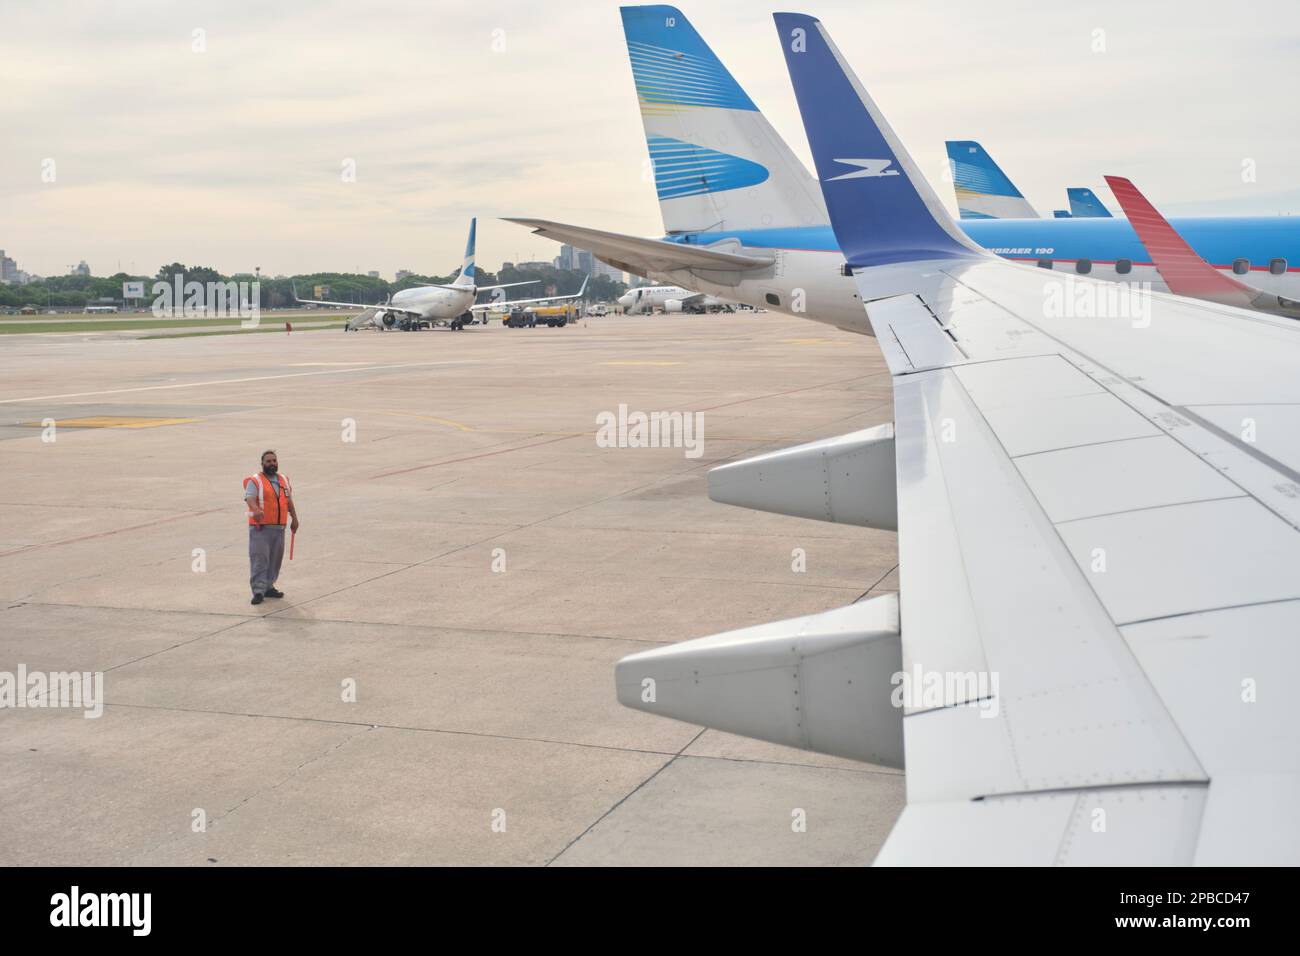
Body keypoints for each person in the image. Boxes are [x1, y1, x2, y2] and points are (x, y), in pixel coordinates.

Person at [243, 450, 299, 605]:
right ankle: (258, 591)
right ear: (262, 464)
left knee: (275, 560)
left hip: (279, 528)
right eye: (268, 461)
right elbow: (249, 498)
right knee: (260, 560)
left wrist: (294, 518)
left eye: (274, 460)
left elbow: (289, 501)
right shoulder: (255, 481)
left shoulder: (284, 480)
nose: (272, 464)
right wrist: (256, 509)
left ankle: (269, 586)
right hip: (261, 528)